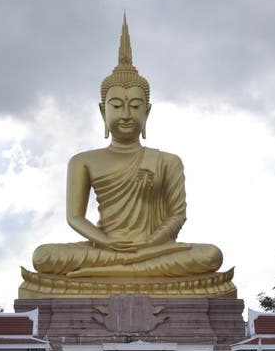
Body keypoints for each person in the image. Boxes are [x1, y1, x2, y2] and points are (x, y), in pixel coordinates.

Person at [25, 17, 224, 288]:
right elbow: (75, 217)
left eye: (136, 106)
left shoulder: (168, 161)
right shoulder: (83, 161)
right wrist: (107, 242)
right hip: (104, 249)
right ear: (102, 111)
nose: (127, 114)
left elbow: (177, 215)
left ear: (147, 112)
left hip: (154, 250)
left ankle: (109, 272)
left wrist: (149, 244)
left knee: (210, 255)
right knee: (44, 256)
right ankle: (129, 269)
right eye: (117, 106)